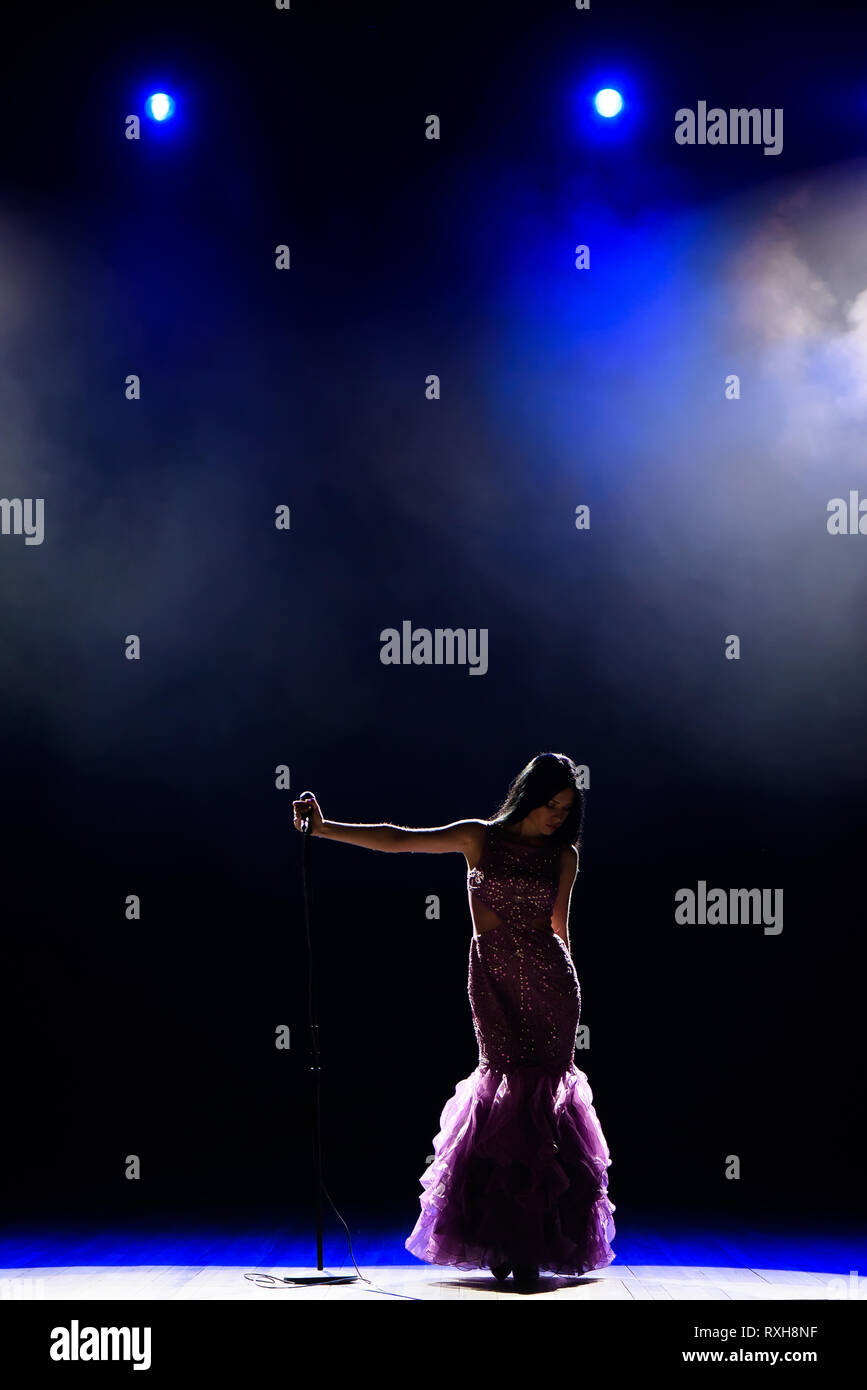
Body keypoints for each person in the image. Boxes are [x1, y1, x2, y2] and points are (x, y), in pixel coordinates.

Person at [292, 751, 615, 1292]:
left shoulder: (564, 856)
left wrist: (569, 993)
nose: (557, 817)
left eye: (566, 808)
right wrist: (324, 829)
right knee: (501, 1094)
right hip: (491, 980)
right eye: (550, 806)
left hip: (551, 985)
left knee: (541, 1102)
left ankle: (530, 1241)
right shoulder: (479, 838)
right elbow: (400, 839)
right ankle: (500, 1235)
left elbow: (561, 927)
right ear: (528, 797)